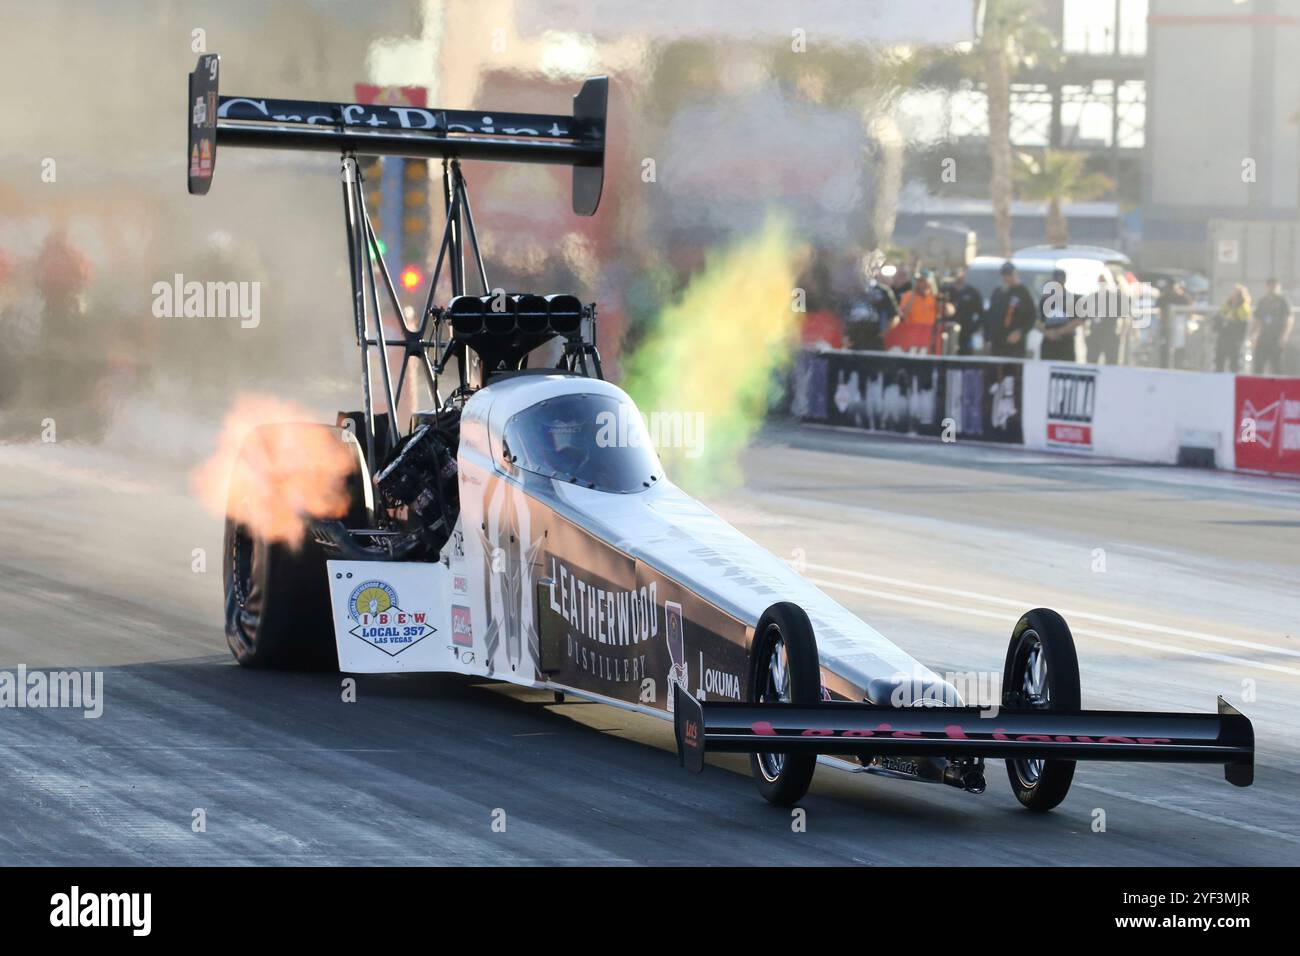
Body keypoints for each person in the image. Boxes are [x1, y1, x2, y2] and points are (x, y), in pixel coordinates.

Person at [986, 261, 1036, 358]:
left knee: (1013, 371)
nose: (1007, 277)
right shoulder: (997, 292)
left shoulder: (1023, 292)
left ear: (1015, 274)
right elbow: (990, 316)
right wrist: (987, 338)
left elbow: (1032, 317)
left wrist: (1021, 332)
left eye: (1009, 274)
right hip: (997, 344)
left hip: (1015, 344)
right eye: (1004, 274)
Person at [1039, 268, 1082, 362]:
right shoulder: (1045, 300)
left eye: (1060, 280)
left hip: (1066, 343)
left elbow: (1077, 321)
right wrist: (1047, 333)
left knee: (1065, 371)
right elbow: (1039, 321)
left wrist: (1059, 332)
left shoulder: (1073, 299)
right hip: (1048, 343)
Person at [1251, 278, 1293, 375]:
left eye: (1274, 286)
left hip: (1276, 337)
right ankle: (1258, 386)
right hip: (1263, 337)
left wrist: (1284, 336)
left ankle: (1279, 388)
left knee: (1276, 364)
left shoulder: (1283, 301)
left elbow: (1288, 319)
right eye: (1270, 286)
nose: (1272, 288)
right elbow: (1257, 319)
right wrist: (1254, 335)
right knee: (1259, 364)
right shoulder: (1262, 301)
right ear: (1266, 287)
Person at [943, 267, 986, 355]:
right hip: (948, 332)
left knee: (965, 357)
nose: (959, 275)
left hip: (966, 333)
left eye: (961, 272)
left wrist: (974, 328)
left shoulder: (972, 292)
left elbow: (981, 313)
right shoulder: (945, 290)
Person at [1085, 272, 1122, 364]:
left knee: (1111, 363)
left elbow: (1123, 318)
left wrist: (1121, 334)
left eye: (1104, 281)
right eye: (1100, 281)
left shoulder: (1115, 298)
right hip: (1094, 334)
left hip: (1110, 334)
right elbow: (1084, 318)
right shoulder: (1092, 297)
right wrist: (1085, 333)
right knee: (1092, 362)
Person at [1214, 284, 1252, 373]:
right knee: (1219, 360)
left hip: (1235, 339)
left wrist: (1232, 318)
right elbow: (1220, 315)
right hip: (1223, 337)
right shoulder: (1227, 304)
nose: (1233, 295)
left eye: (1235, 293)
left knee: (1234, 362)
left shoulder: (1244, 306)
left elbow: (1243, 321)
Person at [1157, 279, 1192, 369]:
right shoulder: (1165, 297)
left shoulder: (1181, 298)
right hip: (1168, 325)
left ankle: (1175, 365)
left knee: (1175, 347)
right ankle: (1167, 365)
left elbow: (1188, 311)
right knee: (1166, 346)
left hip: (1177, 326)